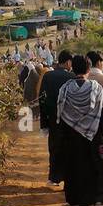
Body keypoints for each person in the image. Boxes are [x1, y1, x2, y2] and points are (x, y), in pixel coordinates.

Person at [56, 54, 103, 206]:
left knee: (73, 165)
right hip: (93, 134)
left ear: (72, 68)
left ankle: (75, 200)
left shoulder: (65, 89)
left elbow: (60, 112)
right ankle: (98, 201)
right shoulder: (95, 88)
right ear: (88, 69)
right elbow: (102, 113)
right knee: (96, 165)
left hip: (71, 135)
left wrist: (62, 135)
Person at [38, 50, 75, 185]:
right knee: (68, 148)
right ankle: (68, 176)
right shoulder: (72, 76)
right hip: (69, 120)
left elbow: (42, 99)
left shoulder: (48, 76)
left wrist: (44, 123)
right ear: (68, 62)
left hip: (53, 118)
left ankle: (54, 178)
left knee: (54, 147)